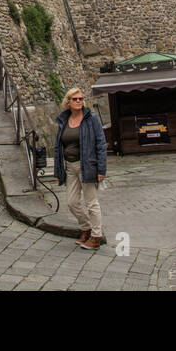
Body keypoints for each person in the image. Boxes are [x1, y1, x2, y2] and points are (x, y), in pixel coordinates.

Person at [54, 87, 107, 251]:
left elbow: (101, 144)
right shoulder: (64, 120)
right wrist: (58, 171)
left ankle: (96, 237)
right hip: (70, 167)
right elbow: (58, 147)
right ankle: (87, 228)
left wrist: (101, 170)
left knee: (91, 203)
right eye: (75, 99)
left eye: (81, 99)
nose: (78, 101)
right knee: (71, 203)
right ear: (68, 102)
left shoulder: (91, 119)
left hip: (87, 166)